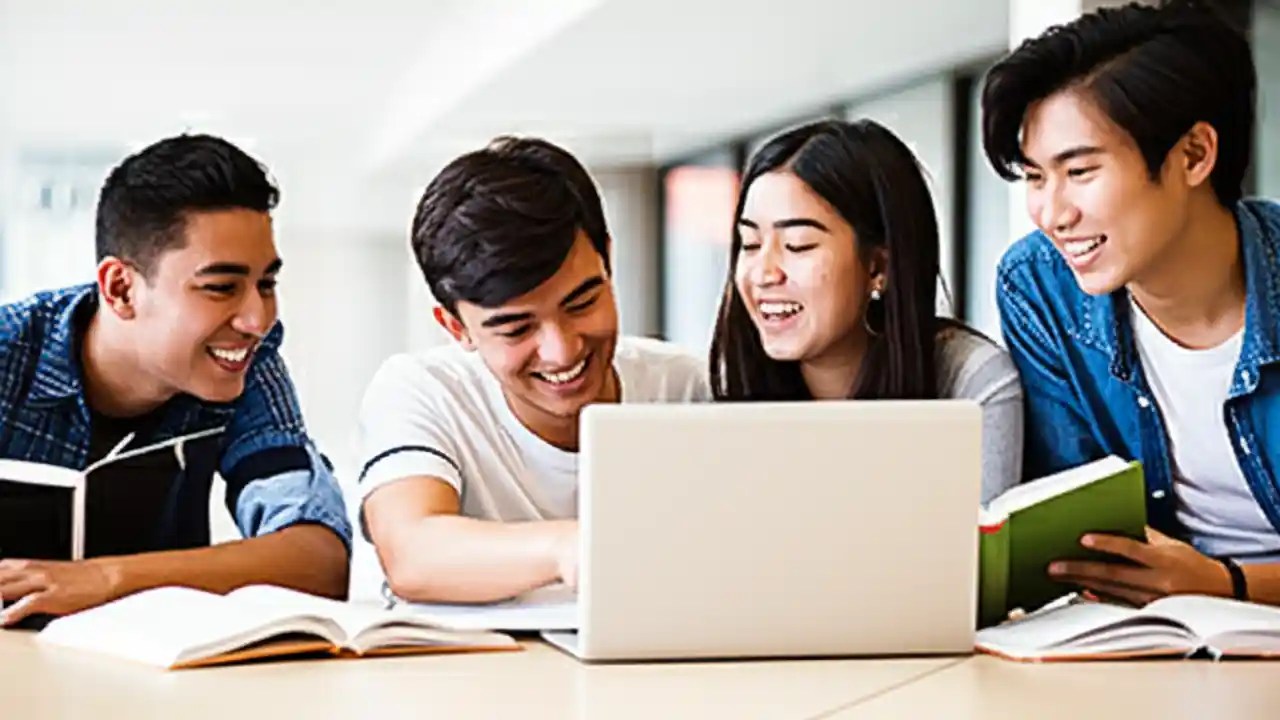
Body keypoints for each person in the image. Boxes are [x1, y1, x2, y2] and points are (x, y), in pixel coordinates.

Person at [986, 0, 1280, 606]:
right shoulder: (1042, 287)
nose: (1052, 214)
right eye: (1036, 177)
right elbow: (1075, 531)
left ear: (1194, 155)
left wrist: (1229, 585)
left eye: (1081, 171)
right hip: (1168, 639)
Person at [0, 134, 352, 627]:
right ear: (121, 289)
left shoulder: (245, 360)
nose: (257, 319)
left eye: (266, 284)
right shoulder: (9, 350)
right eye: (221, 288)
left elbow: (317, 557)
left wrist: (103, 580)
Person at [357, 136, 708, 604]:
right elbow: (412, 554)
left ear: (608, 259)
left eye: (582, 302)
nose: (561, 351)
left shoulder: (689, 390)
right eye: (515, 328)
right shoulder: (423, 391)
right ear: (455, 327)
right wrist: (569, 548)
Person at [710, 118, 1023, 504]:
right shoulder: (731, 382)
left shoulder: (971, 382)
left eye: (798, 245)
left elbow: (980, 558)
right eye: (750, 243)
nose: (764, 273)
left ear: (878, 267)